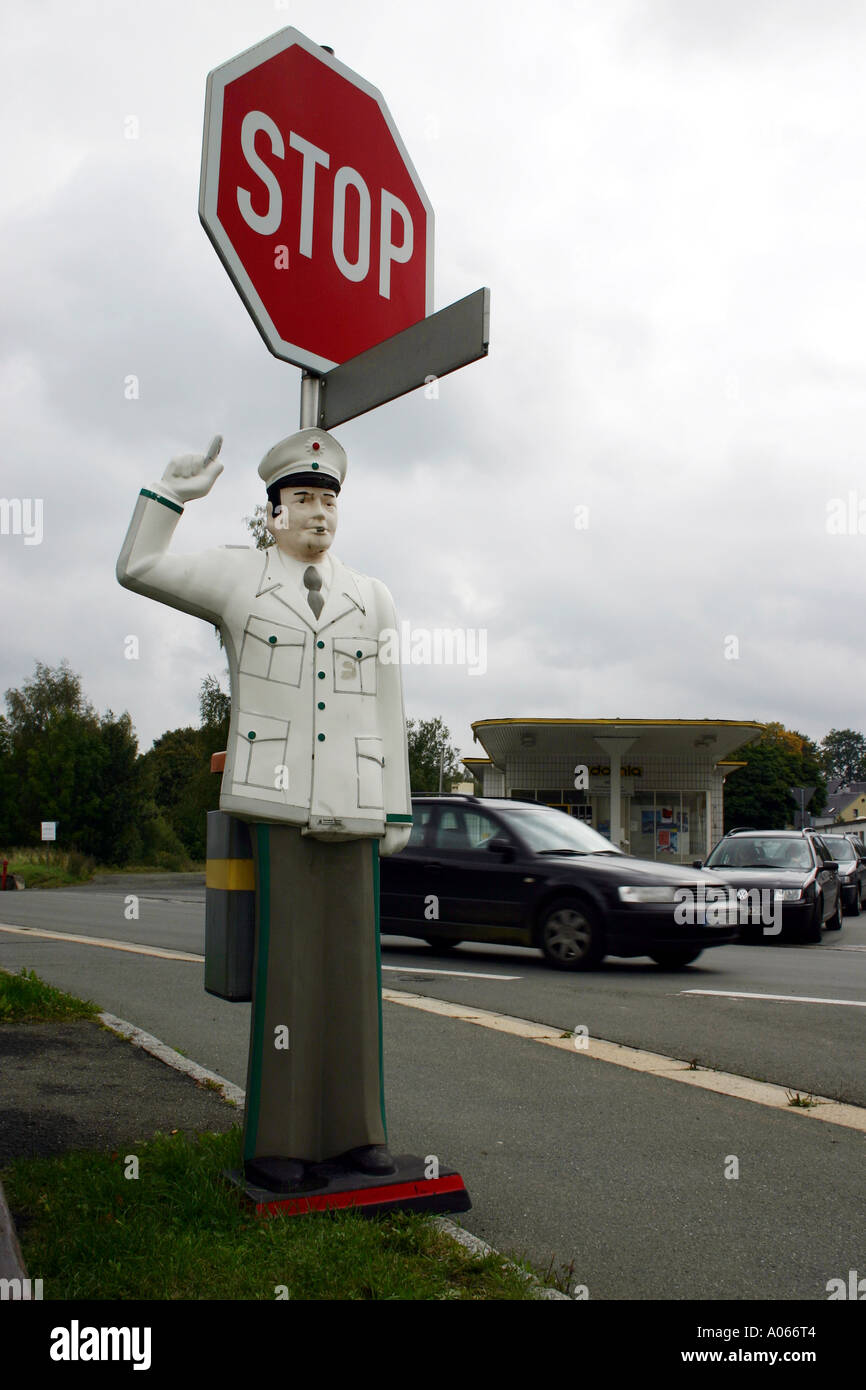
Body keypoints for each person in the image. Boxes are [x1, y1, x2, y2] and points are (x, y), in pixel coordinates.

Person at [117, 428, 412, 1192]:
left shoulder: (371, 596)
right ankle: (280, 1137)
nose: (319, 513)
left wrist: (398, 810)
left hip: (355, 803)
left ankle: (358, 1134)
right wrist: (168, 496)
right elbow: (139, 566)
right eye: (303, 499)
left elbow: (388, 706)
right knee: (289, 976)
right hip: (278, 798)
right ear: (273, 512)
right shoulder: (240, 579)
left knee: (354, 979)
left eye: (328, 500)